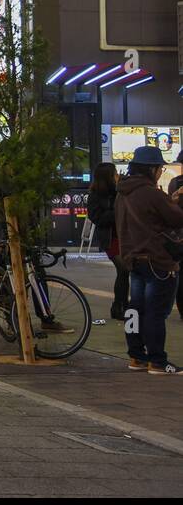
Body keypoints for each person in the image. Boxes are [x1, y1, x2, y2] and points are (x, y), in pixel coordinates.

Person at [115, 145, 183, 374]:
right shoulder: (151, 193)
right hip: (156, 260)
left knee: (136, 309)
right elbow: (176, 219)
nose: (160, 173)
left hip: (133, 259)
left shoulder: (122, 193)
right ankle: (158, 361)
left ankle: (136, 357)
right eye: (160, 169)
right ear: (152, 169)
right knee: (156, 313)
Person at [87, 162, 127, 320]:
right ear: (107, 177)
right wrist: (115, 212)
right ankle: (119, 306)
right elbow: (96, 218)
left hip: (123, 237)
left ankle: (121, 305)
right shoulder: (95, 195)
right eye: (114, 173)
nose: (117, 176)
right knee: (123, 269)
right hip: (110, 239)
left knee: (124, 272)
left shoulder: (118, 191)